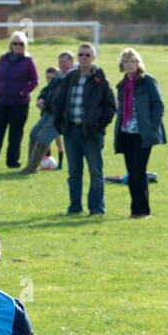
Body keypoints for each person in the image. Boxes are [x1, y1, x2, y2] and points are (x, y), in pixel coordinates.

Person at [49, 42, 115, 216]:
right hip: (71, 132)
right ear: (77, 57)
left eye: (87, 55)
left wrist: (99, 125)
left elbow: (111, 106)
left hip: (92, 134)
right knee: (74, 174)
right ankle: (75, 207)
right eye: (81, 55)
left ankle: (96, 209)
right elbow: (58, 101)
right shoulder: (70, 78)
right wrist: (60, 123)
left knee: (95, 172)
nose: (84, 58)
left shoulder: (99, 79)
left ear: (93, 58)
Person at [113, 47, 166, 219]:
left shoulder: (148, 81)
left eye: (133, 61)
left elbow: (158, 105)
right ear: (122, 64)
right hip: (126, 133)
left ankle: (143, 210)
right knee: (131, 173)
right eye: (127, 61)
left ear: (138, 63)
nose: (130, 65)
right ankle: (135, 210)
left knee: (139, 171)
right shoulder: (121, 85)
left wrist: (151, 127)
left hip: (143, 134)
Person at [0, 32, 37, 171]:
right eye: (15, 43)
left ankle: (13, 162)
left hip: (19, 104)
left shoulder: (28, 61)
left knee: (15, 135)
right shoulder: (3, 59)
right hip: (2, 102)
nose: (17, 46)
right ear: (10, 44)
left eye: (20, 44)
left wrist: (23, 92)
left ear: (24, 46)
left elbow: (35, 81)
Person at [18, 65, 60, 174]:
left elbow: (56, 100)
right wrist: (40, 100)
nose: (49, 80)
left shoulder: (62, 80)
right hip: (47, 114)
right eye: (48, 78)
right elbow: (44, 92)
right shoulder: (52, 84)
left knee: (43, 137)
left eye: (52, 78)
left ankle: (32, 168)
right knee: (34, 133)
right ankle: (30, 166)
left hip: (56, 115)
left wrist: (46, 104)